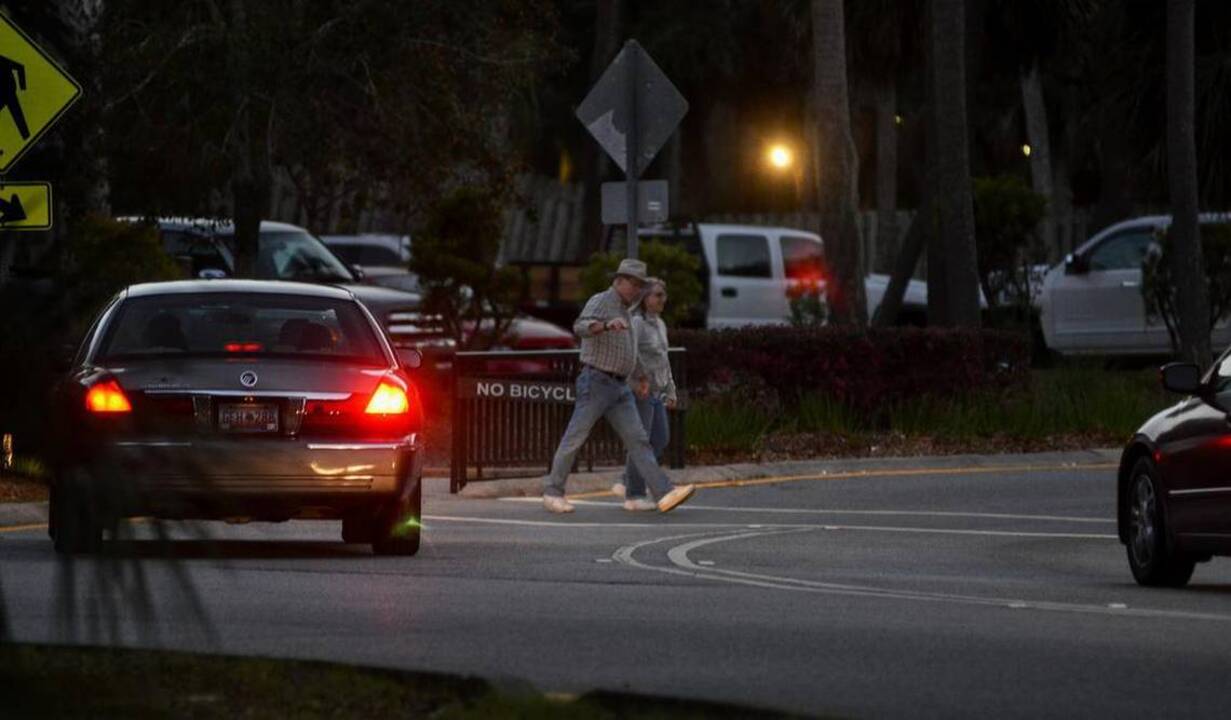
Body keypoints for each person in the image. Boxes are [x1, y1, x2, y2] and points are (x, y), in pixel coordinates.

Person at [542, 259, 694, 514]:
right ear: (619, 281)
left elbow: (629, 350)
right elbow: (580, 326)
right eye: (633, 284)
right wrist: (603, 325)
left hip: (621, 387)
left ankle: (661, 494)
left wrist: (641, 376)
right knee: (575, 438)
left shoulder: (628, 308)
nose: (637, 290)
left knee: (639, 440)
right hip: (597, 381)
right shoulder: (602, 300)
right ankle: (552, 492)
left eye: (640, 285)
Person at [611, 277, 678, 511]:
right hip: (640, 389)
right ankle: (635, 494)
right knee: (642, 441)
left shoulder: (660, 324)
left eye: (664, 294)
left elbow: (663, 360)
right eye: (657, 295)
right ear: (644, 298)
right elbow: (630, 354)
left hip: (657, 390)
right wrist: (637, 379)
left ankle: (627, 478)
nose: (662, 299)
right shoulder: (636, 322)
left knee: (659, 438)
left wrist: (670, 388)